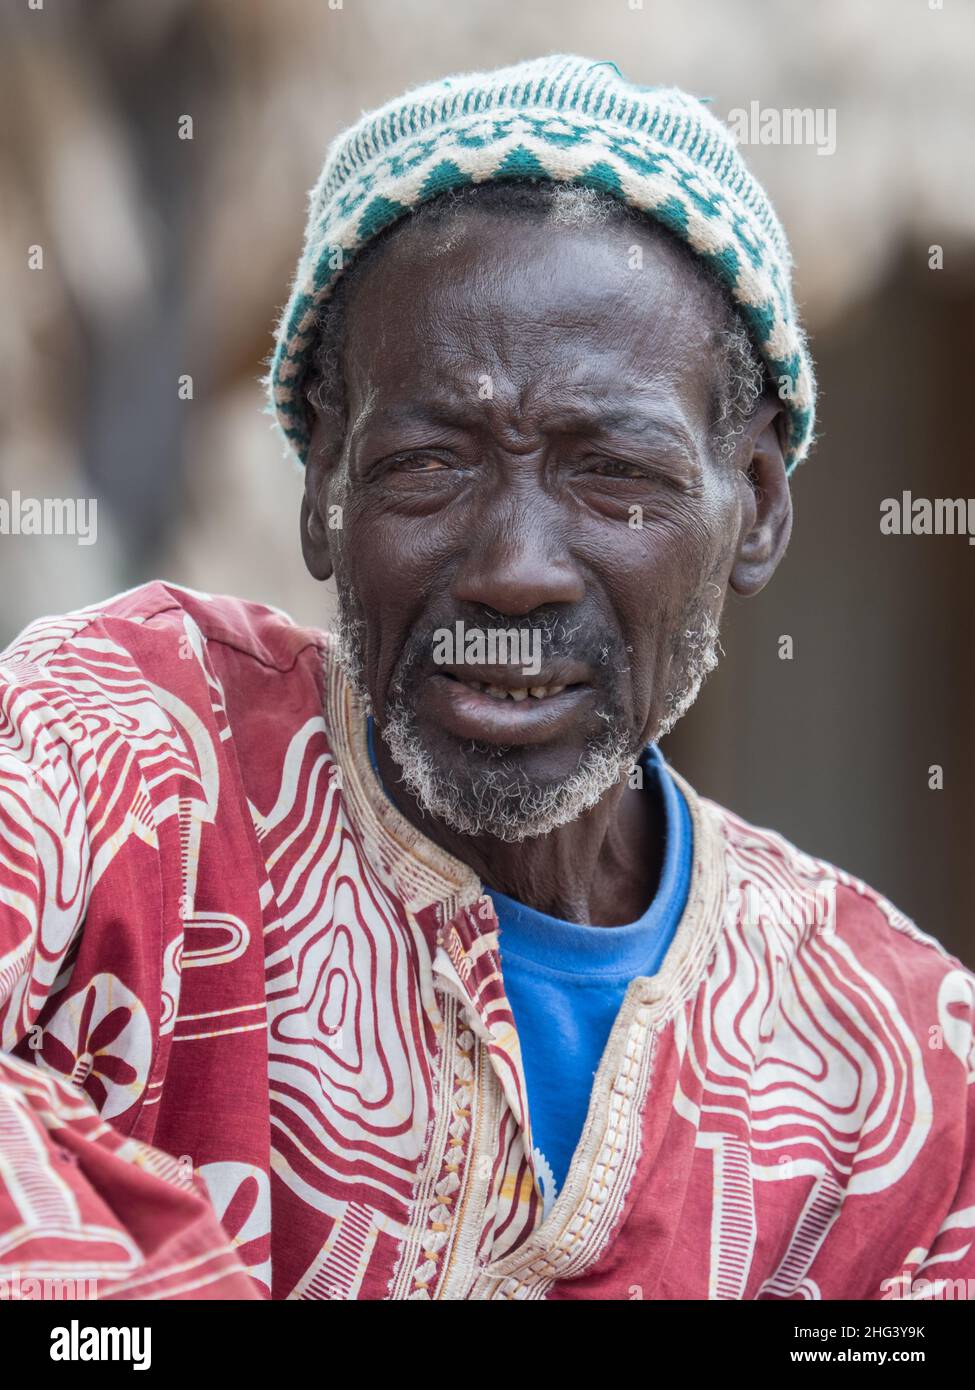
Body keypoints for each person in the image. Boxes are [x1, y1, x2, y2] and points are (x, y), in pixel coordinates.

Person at [1, 54, 972, 1302]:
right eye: (429, 464)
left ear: (758, 511)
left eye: (612, 471)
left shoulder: (906, 1081)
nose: (516, 571)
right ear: (323, 494)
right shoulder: (125, 752)